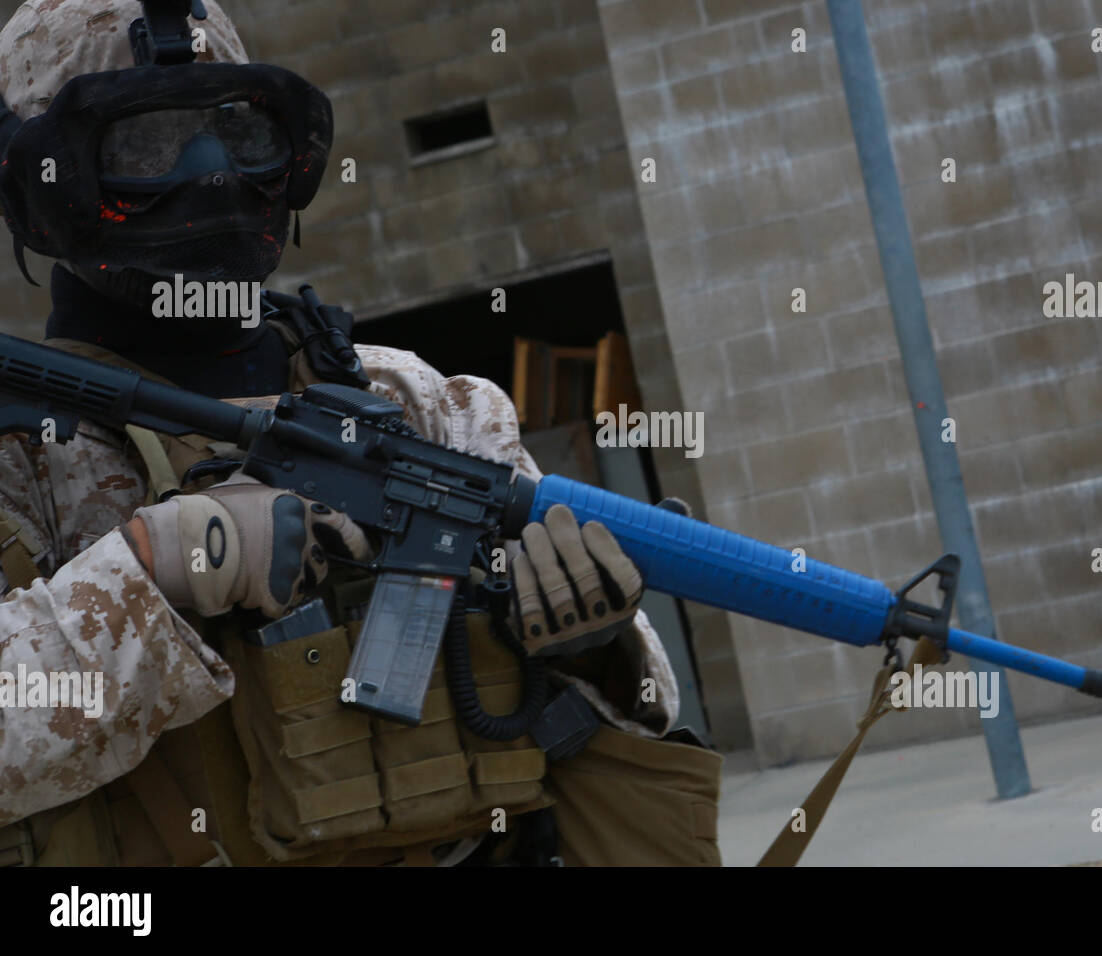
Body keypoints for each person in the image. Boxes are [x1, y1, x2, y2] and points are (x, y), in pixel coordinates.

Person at [0, 0, 721, 867]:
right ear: (49, 184)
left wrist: (600, 646)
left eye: (238, 132)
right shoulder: (24, 455)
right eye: (145, 147)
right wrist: (150, 571)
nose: (212, 174)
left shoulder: (421, 400)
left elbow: (646, 711)